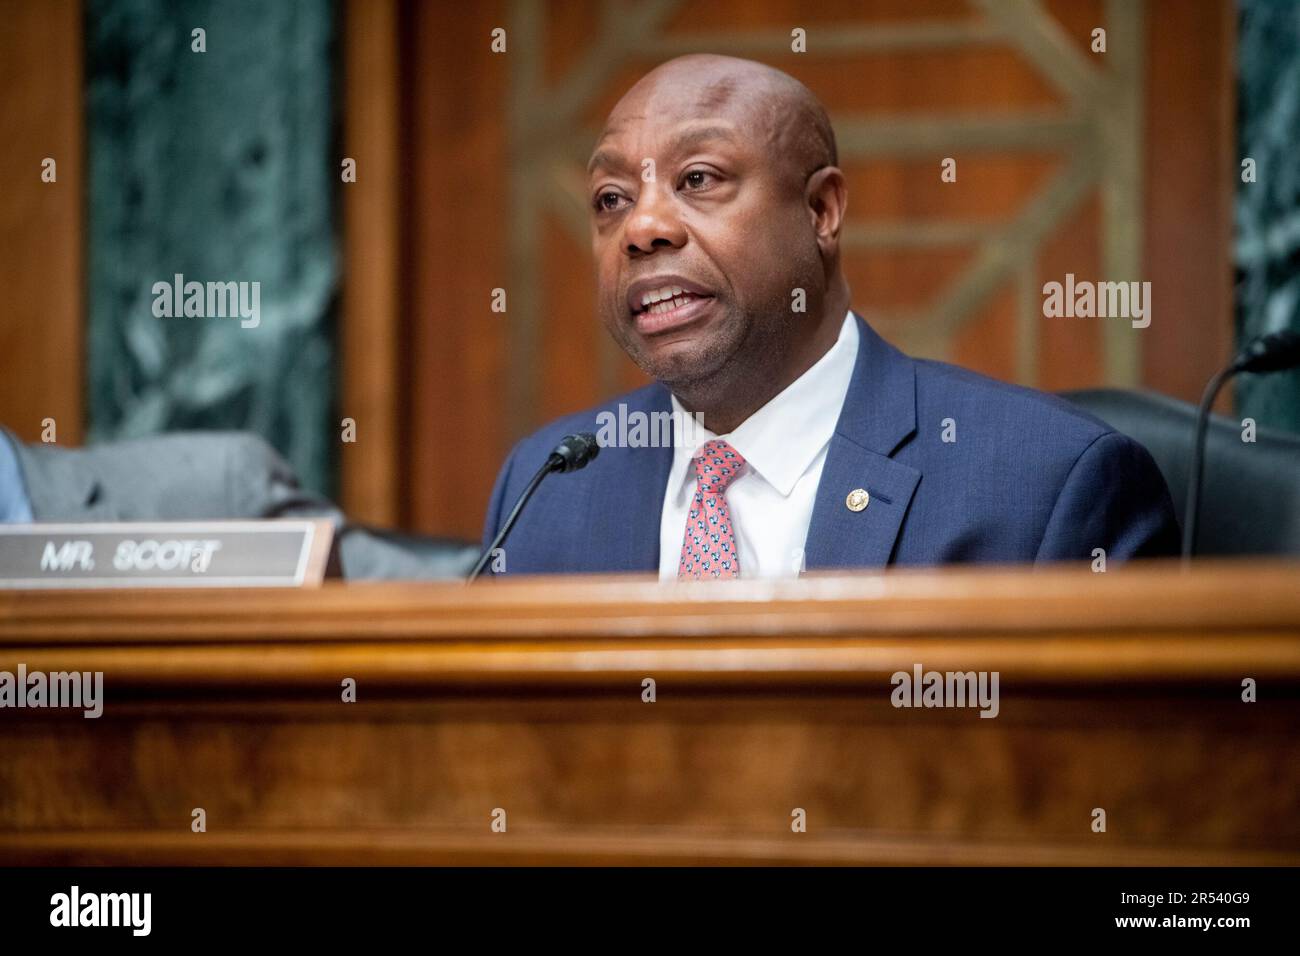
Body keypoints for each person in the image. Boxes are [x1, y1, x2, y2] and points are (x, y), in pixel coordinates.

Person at [482, 55, 1179, 579]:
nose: (644, 226)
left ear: (820, 211)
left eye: (698, 179)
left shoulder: (1049, 489)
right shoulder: (547, 486)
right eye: (611, 198)